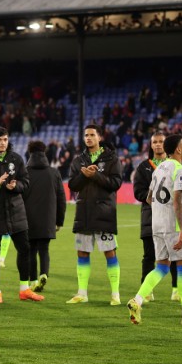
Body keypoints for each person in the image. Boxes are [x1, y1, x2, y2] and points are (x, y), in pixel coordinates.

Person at [127, 133, 182, 326]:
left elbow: (148, 197)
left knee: (161, 266)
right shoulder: (181, 170)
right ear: (178, 149)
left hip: (157, 224)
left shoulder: (159, 168)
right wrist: (181, 230)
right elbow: (178, 201)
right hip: (173, 225)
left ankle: (137, 300)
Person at [66, 124, 123, 306]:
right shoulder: (78, 160)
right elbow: (73, 185)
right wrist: (84, 176)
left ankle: (115, 294)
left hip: (104, 212)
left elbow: (116, 183)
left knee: (109, 251)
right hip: (84, 212)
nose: (88, 138)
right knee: (82, 252)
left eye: (92, 135)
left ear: (99, 137)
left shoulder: (112, 159)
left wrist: (95, 176)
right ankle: (82, 293)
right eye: (86, 135)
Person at [0, 127, 38, 302]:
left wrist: (15, 186)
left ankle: (24, 289)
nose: (3, 143)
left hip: (16, 211)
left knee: (25, 249)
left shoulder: (16, 159)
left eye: (5, 139)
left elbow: (26, 182)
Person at [22, 139, 64, 294]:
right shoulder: (54, 173)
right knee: (44, 249)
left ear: (30, 153)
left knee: (31, 250)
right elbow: (61, 199)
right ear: (44, 152)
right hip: (48, 219)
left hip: (28, 219)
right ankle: (44, 274)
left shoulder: (25, 172)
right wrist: (59, 221)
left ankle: (33, 280)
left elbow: (19, 197)